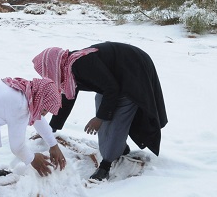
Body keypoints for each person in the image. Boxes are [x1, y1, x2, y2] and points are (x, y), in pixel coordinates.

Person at [33, 42, 166, 181]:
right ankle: (120, 147)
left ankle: (105, 165)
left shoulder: (81, 64)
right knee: (102, 103)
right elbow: (67, 98)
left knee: (118, 117)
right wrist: (50, 130)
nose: (47, 76)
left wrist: (99, 118)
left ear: (53, 64)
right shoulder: (69, 69)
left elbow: (112, 89)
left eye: (46, 71)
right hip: (116, 79)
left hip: (134, 71)